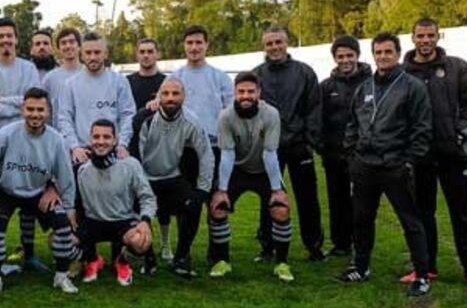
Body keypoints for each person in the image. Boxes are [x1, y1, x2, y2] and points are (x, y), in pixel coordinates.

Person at [338, 33, 433, 298]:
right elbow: (353, 123)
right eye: (378, 52)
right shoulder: (365, 87)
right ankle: (361, 266)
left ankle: (422, 274)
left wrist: (409, 161)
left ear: (398, 53)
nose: (383, 57)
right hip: (365, 165)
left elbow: (422, 128)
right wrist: (352, 155)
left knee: (410, 221)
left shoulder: (412, 86)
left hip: (395, 165)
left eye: (388, 52)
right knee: (361, 220)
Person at [403, 18, 467, 289]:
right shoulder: (403, 73)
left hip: (453, 155)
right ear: (412, 37)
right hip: (420, 157)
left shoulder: (457, 68)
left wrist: (461, 135)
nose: (425, 40)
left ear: (438, 36)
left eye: (430, 35)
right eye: (420, 35)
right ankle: (425, 267)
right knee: (422, 213)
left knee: (462, 213)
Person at [0, 88, 78, 298]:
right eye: (30, 109)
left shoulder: (56, 139)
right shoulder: (5, 134)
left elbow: (65, 176)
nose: (35, 114)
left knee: (63, 228)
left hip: (38, 192)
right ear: (22, 109)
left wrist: (70, 207)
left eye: (40, 110)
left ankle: (62, 276)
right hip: (7, 191)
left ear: (48, 112)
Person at [209, 72, 293, 282]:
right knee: (218, 208)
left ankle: (282, 263)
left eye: (250, 92)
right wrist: (222, 190)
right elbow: (227, 154)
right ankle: (222, 261)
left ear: (259, 93)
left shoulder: (271, 114)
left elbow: (270, 153)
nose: (245, 96)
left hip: (264, 169)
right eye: (241, 91)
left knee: (281, 209)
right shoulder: (225, 116)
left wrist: (277, 190)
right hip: (237, 169)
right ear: (234, 93)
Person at [253, 25, 325, 262]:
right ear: (264, 46)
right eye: (269, 43)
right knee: (269, 197)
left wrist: (308, 141)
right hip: (269, 148)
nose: (274, 47)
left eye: (278, 42)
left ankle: (314, 245)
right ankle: (267, 245)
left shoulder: (304, 72)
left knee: (307, 198)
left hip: (298, 145)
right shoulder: (256, 76)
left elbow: (314, 109)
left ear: (286, 43)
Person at [136, 77, 214, 277]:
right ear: (159, 96)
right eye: (166, 94)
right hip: (146, 178)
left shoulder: (192, 121)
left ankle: (180, 258)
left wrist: (203, 190)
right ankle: (148, 256)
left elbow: (206, 154)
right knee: (136, 210)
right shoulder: (145, 119)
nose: (171, 98)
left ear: (184, 97)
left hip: (173, 177)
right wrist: (138, 187)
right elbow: (135, 158)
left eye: (176, 93)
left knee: (193, 205)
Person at [73, 120, 157, 287]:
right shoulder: (81, 168)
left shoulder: (130, 165)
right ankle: (92, 260)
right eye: (96, 137)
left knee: (142, 240)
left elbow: (148, 197)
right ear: (90, 140)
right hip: (92, 222)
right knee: (58, 240)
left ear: (115, 140)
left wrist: (145, 221)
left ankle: (122, 261)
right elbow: (70, 199)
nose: (101, 141)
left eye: (106, 137)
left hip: (123, 221)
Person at [318, 35, 370, 258]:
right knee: (337, 200)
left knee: (362, 201)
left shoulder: (371, 83)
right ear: (334, 58)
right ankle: (340, 244)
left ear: (357, 56)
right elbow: (317, 119)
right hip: (334, 155)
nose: (345, 60)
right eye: (340, 56)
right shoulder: (326, 87)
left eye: (349, 55)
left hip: (364, 155)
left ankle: (362, 243)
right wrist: (323, 148)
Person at [57, 32, 136, 163]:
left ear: (105, 54)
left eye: (97, 52)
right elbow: (64, 119)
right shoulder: (70, 85)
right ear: (81, 54)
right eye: (88, 53)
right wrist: (75, 147)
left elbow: (127, 115)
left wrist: (123, 144)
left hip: (114, 154)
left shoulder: (120, 82)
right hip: (83, 154)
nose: (93, 57)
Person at [168, 25, 231, 152]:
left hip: (213, 145)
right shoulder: (173, 79)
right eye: (189, 43)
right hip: (180, 147)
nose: (194, 48)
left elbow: (231, 111)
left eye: (198, 42)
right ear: (184, 45)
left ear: (207, 45)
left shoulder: (221, 78)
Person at [0, 17, 41, 132]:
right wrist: (19, 109)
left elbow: (34, 103)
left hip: (25, 135)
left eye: (9, 36)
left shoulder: (29, 69)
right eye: (1, 36)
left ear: (16, 39)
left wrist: (2, 100)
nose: (5, 40)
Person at [42, 27, 82, 126]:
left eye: (72, 42)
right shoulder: (50, 78)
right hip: (58, 136)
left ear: (79, 46)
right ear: (58, 49)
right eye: (63, 43)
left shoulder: (90, 74)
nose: (68, 46)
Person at [126, 37, 166, 112]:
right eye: (142, 52)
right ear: (137, 55)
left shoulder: (167, 82)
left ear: (158, 54)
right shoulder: (126, 82)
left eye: (150, 52)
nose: (146, 55)